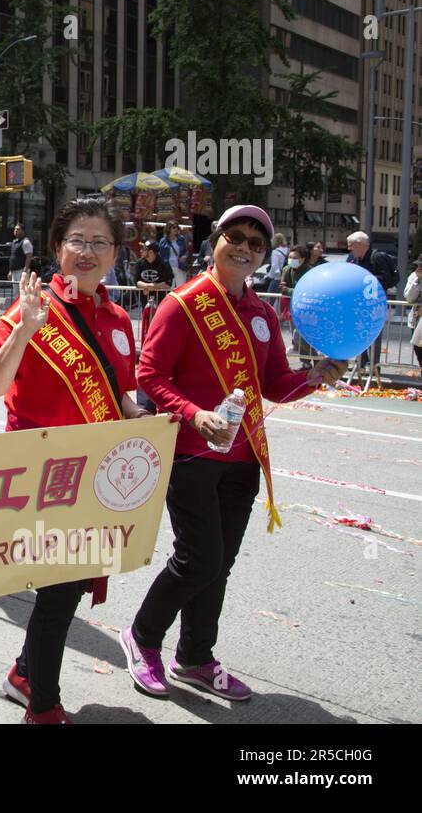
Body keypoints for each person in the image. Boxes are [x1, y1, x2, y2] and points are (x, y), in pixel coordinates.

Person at [120, 205, 346, 704]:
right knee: (198, 558)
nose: (243, 247)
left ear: (264, 255)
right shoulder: (183, 304)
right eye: (234, 236)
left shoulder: (264, 315)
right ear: (215, 241)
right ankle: (141, 637)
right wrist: (195, 414)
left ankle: (196, 656)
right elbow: (150, 376)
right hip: (192, 454)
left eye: (255, 243)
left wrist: (313, 376)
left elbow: (274, 386)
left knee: (219, 564)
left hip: (243, 458)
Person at [0, 197, 142, 723]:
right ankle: (42, 705)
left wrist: (154, 424)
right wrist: (25, 330)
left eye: (99, 242)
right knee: (57, 596)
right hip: (38, 480)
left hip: (93, 481)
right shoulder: (31, 308)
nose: (86, 251)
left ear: (115, 253)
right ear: (57, 247)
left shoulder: (118, 319)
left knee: (61, 593)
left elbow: (123, 399)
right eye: (76, 240)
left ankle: (25, 673)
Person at [346, 230, 399, 378]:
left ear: (361, 245)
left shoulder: (378, 257)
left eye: (351, 245)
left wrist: (365, 280)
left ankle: (374, 365)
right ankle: (361, 362)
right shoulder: (353, 258)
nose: (349, 249)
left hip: (375, 304)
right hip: (358, 302)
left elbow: (388, 279)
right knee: (358, 333)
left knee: (374, 334)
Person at [279, 243, 321, 363]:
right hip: (292, 308)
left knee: (304, 335)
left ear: (303, 258)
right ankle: (306, 362)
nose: (292, 260)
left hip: (308, 309)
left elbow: (308, 290)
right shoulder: (287, 269)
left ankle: (314, 359)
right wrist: (296, 291)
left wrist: (292, 291)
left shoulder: (309, 271)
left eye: (295, 258)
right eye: (290, 257)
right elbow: (282, 288)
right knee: (296, 336)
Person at [132, 240, 174, 305]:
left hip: (161, 302)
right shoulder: (139, 263)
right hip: (145, 300)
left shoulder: (164, 264)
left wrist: (153, 286)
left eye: (143, 249)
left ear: (151, 252)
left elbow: (168, 283)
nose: (141, 251)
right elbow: (136, 281)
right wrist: (148, 286)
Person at [157, 223, 190, 288]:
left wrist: (184, 256)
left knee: (181, 288)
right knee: (169, 288)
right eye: (173, 227)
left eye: (177, 227)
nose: (176, 229)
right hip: (167, 268)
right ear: (168, 229)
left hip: (179, 266)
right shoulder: (163, 241)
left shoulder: (181, 239)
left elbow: (186, 251)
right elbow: (160, 254)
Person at [404, 254, 422, 370]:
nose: (420, 267)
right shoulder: (414, 276)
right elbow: (409, 298)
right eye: (419, 265)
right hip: (416, 321)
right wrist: (417, 280)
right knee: (419, 350)